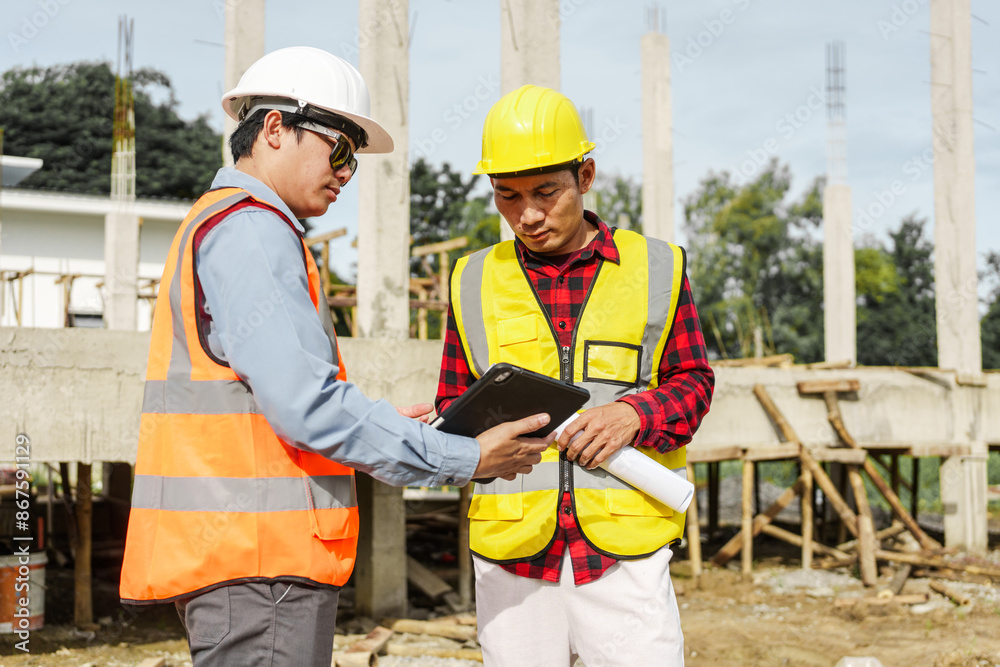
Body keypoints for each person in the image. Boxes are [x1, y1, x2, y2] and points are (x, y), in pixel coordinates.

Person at [119, 47, 552, 667]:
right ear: (274, 128)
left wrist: (383, 426)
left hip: (243, 560)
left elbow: (274, 399)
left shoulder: (222, 223)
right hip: (260, 566)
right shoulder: (253, 230)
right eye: (340, 149)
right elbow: (307, 405)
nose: (347, 173)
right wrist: (464, 457)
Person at [435, 84, 715, 667]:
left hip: (624, 550)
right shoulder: (471, 279)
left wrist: (634, 414)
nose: (528, 215)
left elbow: (693, 382)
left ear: (585, 175)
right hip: (514, 554)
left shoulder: (656, 267)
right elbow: (452, 400)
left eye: (546, 192)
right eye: (507, 196)